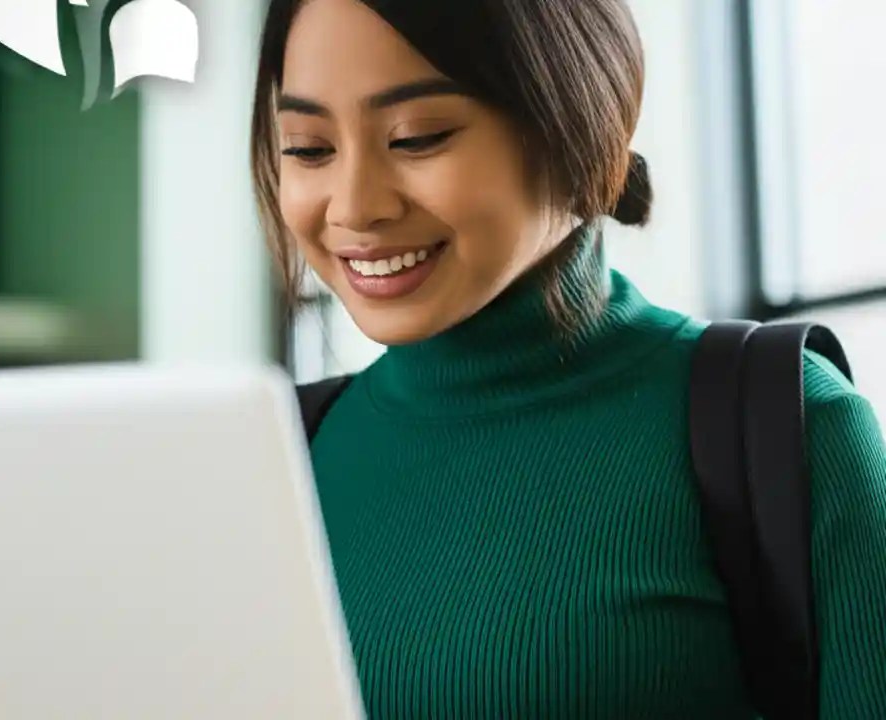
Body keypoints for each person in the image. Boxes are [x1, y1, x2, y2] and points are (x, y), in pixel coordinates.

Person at [248, 0, 886, 717]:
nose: (354, 207)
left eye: (417, 137)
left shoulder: (792, 428)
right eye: (308, 148)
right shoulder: (280, 467)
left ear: (575, 121)